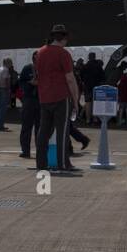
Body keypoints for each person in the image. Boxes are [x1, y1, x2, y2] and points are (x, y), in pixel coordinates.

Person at [35, 26, 80, 172]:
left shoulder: (40, 52)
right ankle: (63, 164)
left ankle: (41, 164)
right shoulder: (63, 54)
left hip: (44, 97)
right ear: (64, 38)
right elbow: (70, 79)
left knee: (44, 132)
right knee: (62, 132)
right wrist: (76, 99)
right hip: (61, 97)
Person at [18, 52, 40, 158]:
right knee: (26, 127)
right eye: (36, 58)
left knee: (40, 128)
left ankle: (40, 151)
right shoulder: (27, 68)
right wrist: (30, 83)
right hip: (29, 100)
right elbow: (21, 83)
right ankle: (25, 151)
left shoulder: (45, 69)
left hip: (41, 101)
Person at [0, 58, 15, 131]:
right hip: (4, 89)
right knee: (3, 109)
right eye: (10, 62)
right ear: (7, 62)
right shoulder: (6, 70)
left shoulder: (0, 68)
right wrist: (9, 90)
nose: (11, 64)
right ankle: (0, 125)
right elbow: (6, 80)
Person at [116, 61, 127, 127]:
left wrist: (118, 97)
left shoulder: (120, 84)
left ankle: (120, 122)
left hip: (121, 98)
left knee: (121, 110)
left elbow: (118, 90)